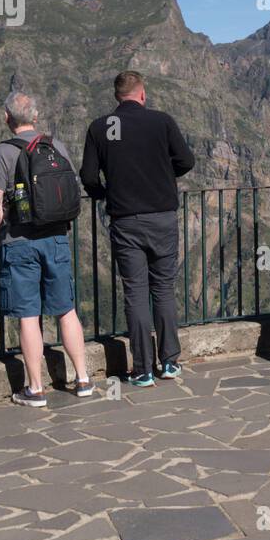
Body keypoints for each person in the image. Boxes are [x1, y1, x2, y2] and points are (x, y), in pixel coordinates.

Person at [80, 71, 195, 386]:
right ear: (142, 94)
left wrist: (108, 192)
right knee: (163, 289)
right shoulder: (162, 121)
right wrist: (162, 174)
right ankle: (169, 362)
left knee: (135, 293)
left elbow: (88, 176)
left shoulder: (100, 127)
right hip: (162, 218)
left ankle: (143, 369)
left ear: (117, 97)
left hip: (126, 220)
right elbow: (187, 160)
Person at [0, 91, 93, 407]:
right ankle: (83, 379)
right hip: (57, 238)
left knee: (28, 315)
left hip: (20, 243)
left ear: (7, 118)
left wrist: (10, 221)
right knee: (65, 309)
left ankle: (36, 389)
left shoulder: (3, 152)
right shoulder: (54, 146)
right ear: (35, 116)